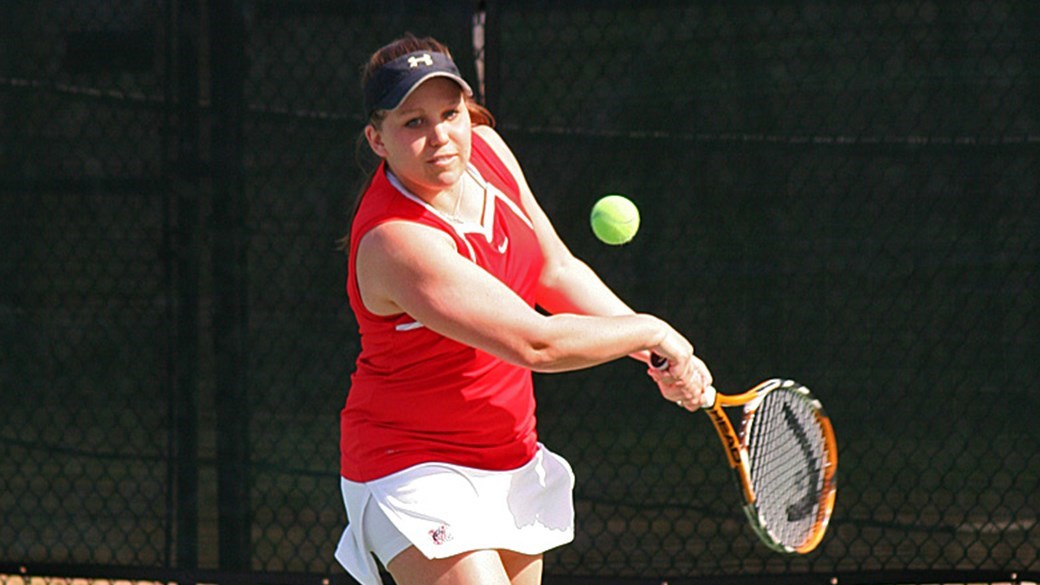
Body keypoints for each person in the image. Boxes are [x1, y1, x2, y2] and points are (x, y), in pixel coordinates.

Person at [335, 33, 713, 585]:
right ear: (378, 139)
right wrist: (651, 329)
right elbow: (536, 343)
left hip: (509, 454)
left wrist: (653, 352)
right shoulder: (397, 241)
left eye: (450, 113)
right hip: (411, 463)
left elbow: (555, 271)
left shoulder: (487, 151)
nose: (441, 136)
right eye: (413, 122)